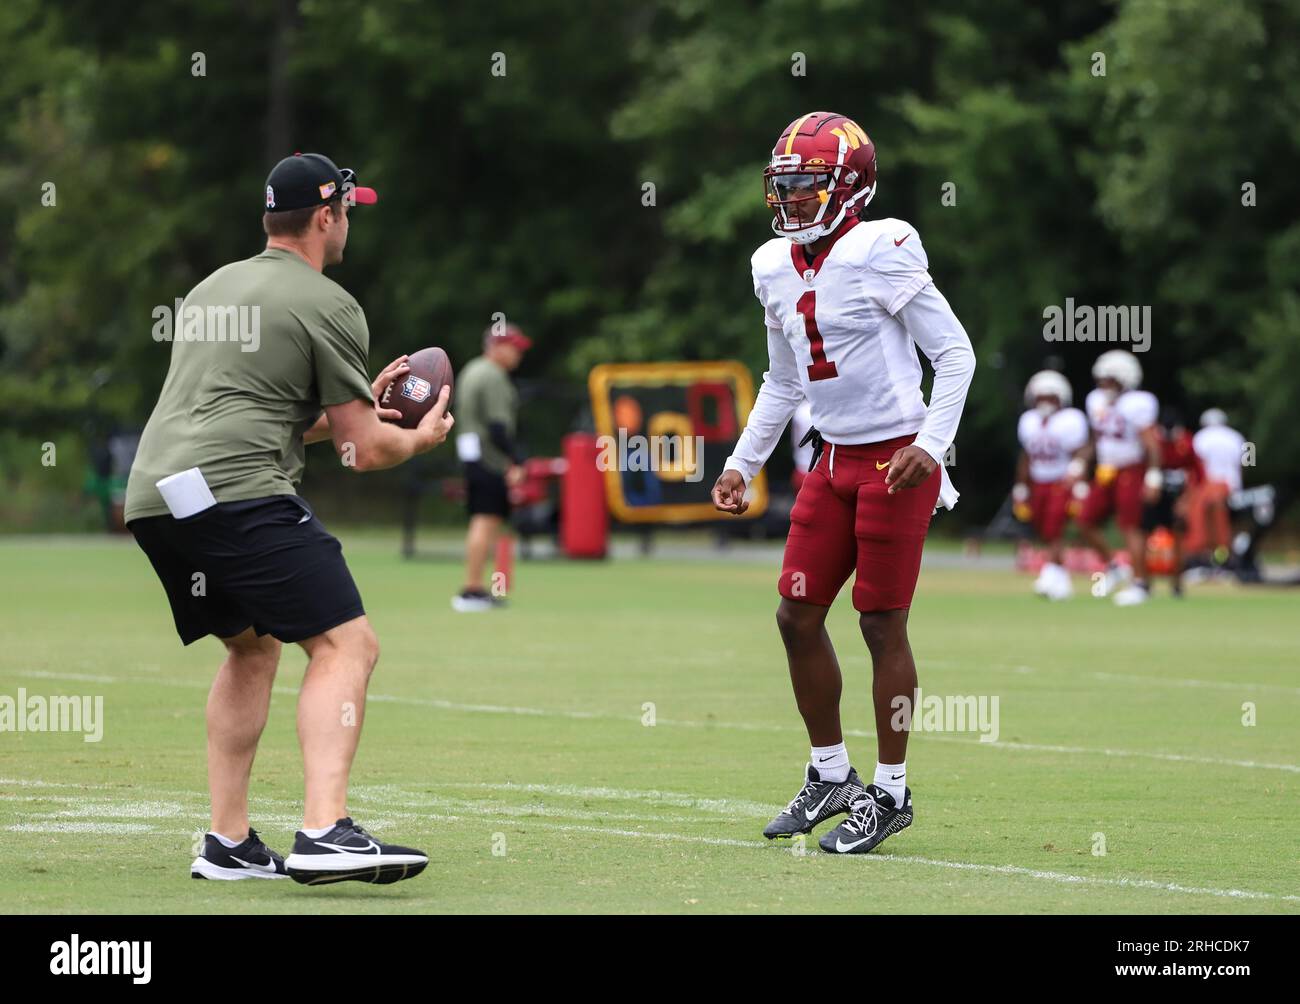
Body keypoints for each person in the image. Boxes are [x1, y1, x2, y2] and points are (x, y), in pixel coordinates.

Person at [124, 153, 453, 885]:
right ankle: (325, 830)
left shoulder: (213, 287)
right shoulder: (326, 300)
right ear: (326, 215)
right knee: (347, 645)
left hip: (156, 497)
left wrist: (357, 397)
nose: (349, 226)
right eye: (348, 212)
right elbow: (362, 450)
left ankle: (229, 843)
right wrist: (419, 437)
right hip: (236, 490)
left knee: (253, 648)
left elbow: (259, 412)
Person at [711, 111, 975, 855]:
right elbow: (783, 379)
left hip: (897, 460)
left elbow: (956, 355)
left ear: (849, 188)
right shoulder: (771, 265)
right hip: (832, 462)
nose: (791, 201)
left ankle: (889, 792)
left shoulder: (878, 248)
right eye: (785, 188)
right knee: (795, 616)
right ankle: (830, 772)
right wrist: (742, 462)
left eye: (805, 187)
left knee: (880, 624)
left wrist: (932, 443)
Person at [452, 323, 531, 612]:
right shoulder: (494, 376)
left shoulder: (472, 370)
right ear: (497, 347)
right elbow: (498, 427)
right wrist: (517, 459)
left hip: (472, 455)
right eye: (514, 347)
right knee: (486, 520)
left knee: (484, 520)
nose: (518, 354)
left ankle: (475, 587)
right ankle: (471, 590)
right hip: (490, 457)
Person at [1076, 349, 1161, 607]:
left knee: (1131, 527)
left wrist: (1153, 476)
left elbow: (1152, 444)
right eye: (1102, 380)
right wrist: (1079, 462)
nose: (1105, 385)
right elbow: (1097, 438)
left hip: (1131, 469)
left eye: (1111, 380)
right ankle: (1114, 568)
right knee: (1084, 520)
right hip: (1105, 470)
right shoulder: (1095, 401)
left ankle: (1141, 584)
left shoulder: (1138, 403)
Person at [1012, 370, 1089, 600]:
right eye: (1041, 397)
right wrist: (1021, 485)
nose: (1045, 402)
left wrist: (1078, 476)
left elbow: (1082, 450)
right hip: (1038, 481)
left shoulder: (1070, 420)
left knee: (1055, 527)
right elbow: (1026, 455)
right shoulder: (1029, 421)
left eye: (1050, 397)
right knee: (1042, 528)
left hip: (1061, 481)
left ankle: (1050, 573)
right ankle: (1060, 579)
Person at [1188, 408, 1246, 568]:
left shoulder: (1200, 438)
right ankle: (1225, 552)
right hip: (1232, 484)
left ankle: (1200, 553)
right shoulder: (1237, 437)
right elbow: (1248, 462)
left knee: (1202, 518)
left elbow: (1194, 465)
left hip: (1209, 484)